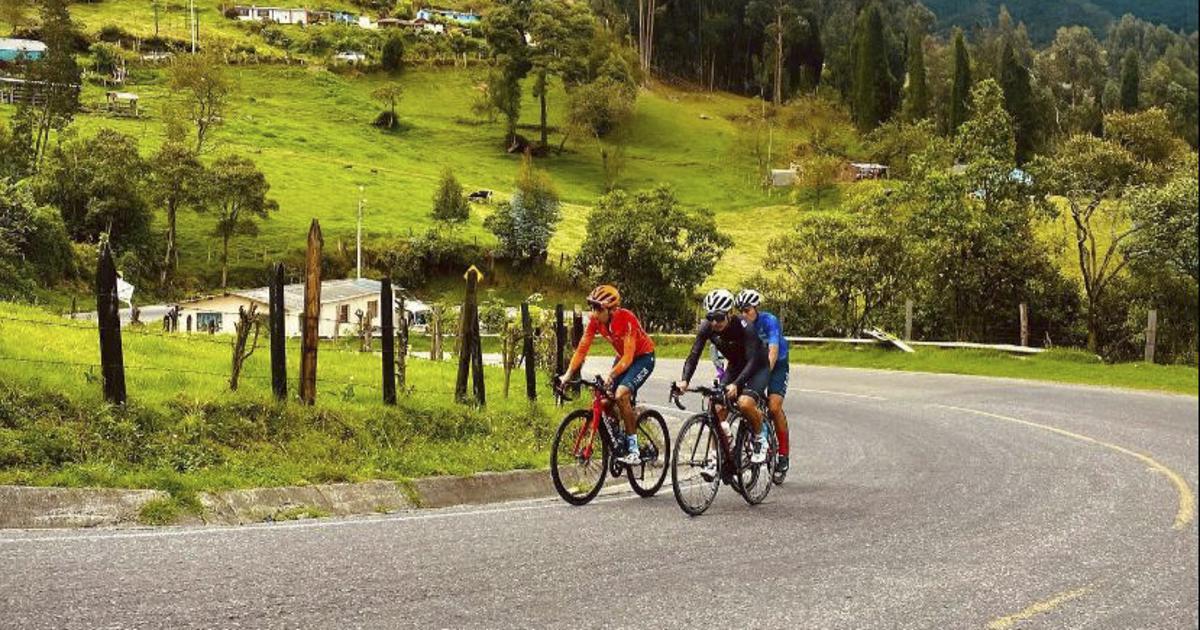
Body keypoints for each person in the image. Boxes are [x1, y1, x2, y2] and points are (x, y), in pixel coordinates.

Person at [558, 284, 656, 465]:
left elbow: (628, 358)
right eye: (592, 307)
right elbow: (582, 349)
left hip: (642, 358)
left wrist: (611, 374)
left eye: (598, 308)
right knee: (605, 400)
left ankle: (634, 450)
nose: (594, 312)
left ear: (612, 309)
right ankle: (620, 437)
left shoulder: (626, 318)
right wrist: (568, 374)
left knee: (621, 394)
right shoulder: (595, 321)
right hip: (622, 358)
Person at [674, 289, 771, 465]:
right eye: (710, 317)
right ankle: (714, 457)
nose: (715, 322)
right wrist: (684, 380)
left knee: (744, 403)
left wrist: (736, 385)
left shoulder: (744, 326)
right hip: (735, 366)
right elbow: (694, 355)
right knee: (716, 407)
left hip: (757, 366)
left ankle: (760, 438)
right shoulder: (707, 327)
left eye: (719, 317)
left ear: (730, 313)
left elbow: (751, 361)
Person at [735, 288, 790, 476]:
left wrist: (766, 374)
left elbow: (773, 350)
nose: (744, 314)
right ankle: (757, 434)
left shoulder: (769, 321)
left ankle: (783, 454)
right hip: (755, 364)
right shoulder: (740, 325)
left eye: (747, 310)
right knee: (745, 401)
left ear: (756, 308)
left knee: (774, 407)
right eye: (741, 311)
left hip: (777, 364)